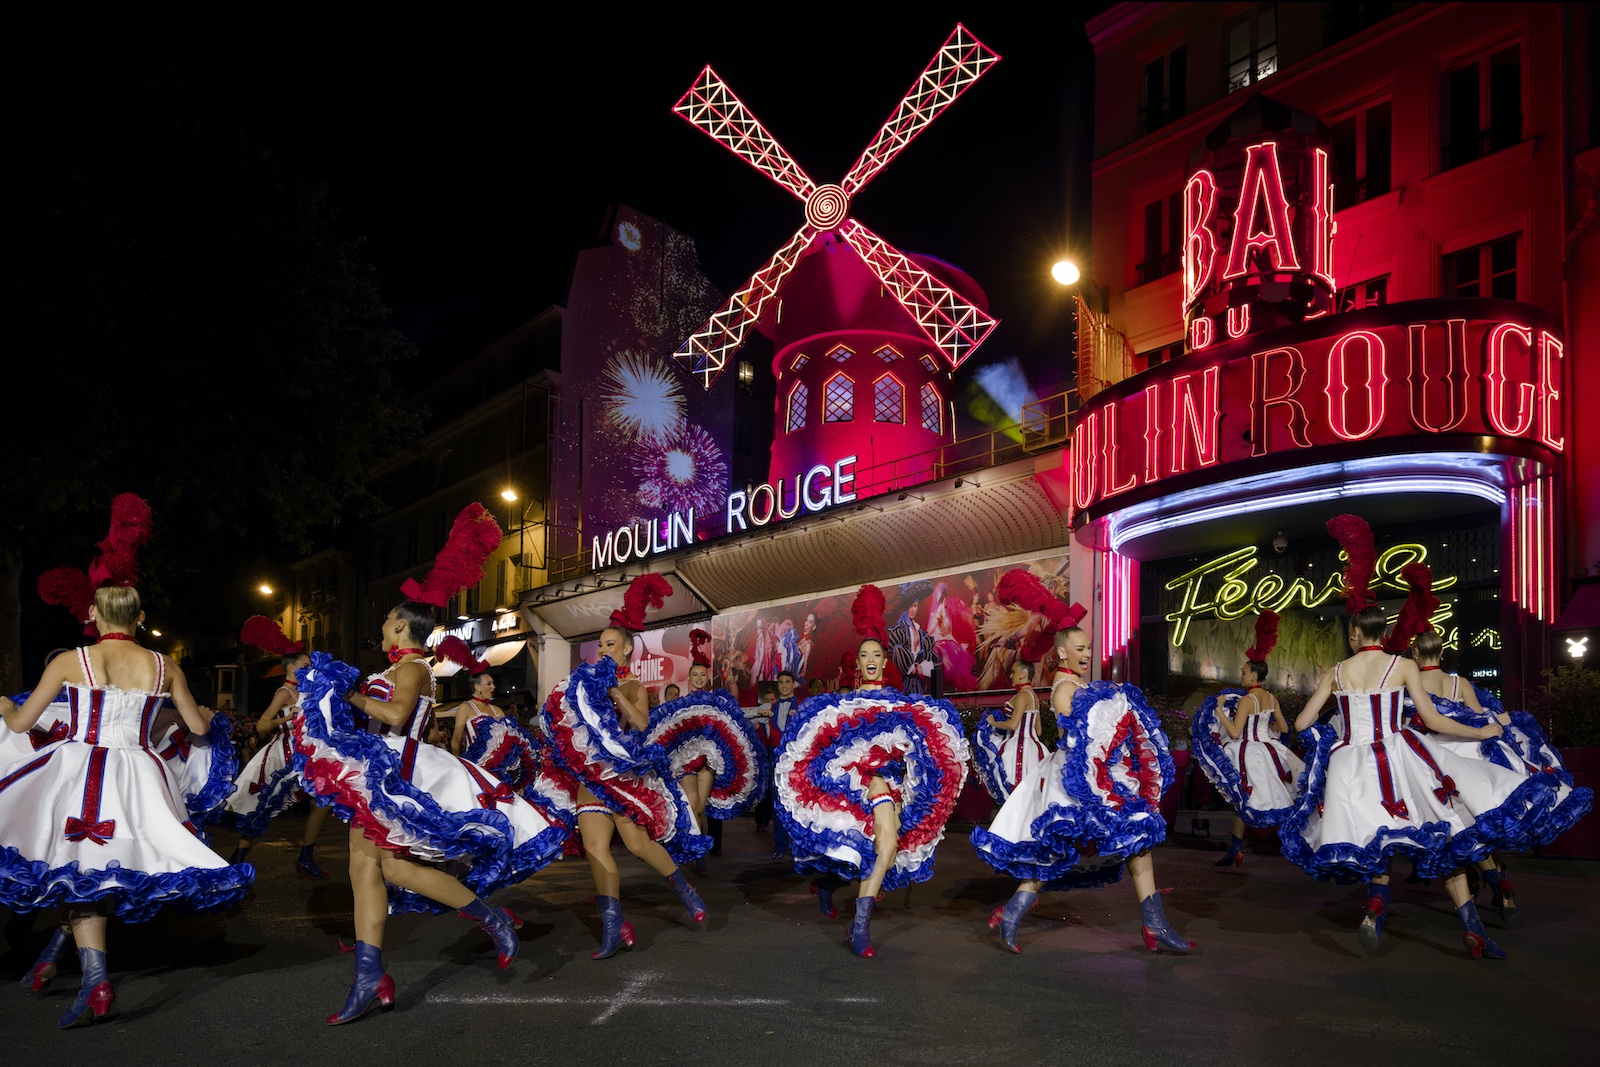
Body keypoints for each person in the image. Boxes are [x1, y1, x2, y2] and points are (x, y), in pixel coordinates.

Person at [293, 504, 566, 1023]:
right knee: (369, 868)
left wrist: (350, 692)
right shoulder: (400, 667)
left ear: (400, 626)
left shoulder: (414, 668)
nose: (381, 627)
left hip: (398, 770)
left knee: (387, 868)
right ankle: (372, 975)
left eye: (385, 621)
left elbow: (396, 714)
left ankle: (487, 921)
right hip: (379, 769)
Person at [3, 578, 254, 1028]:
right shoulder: (165, 666)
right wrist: (206, 719)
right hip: (140, 775)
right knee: (94, 871)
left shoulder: (70, 660)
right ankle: (54, 959)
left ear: (93, 615)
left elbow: (22, 724)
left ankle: (94, 981)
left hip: (78, 772)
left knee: (78, 870)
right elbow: (198, 727)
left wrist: (5, 708)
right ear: (140, 618)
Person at [972, 620, 1192, 955]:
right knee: (1062, 849)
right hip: (1075, 781)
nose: (1087, 653)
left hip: (1092, 776)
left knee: (1131, 839)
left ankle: (1154, 924)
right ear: (1062, 652)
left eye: (1088, 647)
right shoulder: (1064, 688)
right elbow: (1075, 740)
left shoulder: (1080, 684)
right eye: (1080, 648)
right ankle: (1013, 913)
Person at [776, 585, 970, 958]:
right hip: (857, 783)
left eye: (876, 655)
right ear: (858, 663)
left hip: (893, 784)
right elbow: (822, 747)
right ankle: (860, 929)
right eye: (864, 654)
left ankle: (829, 886)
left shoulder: (901, 704)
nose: (869, 660)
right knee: (888, 845)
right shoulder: (843, 704)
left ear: (884, 661)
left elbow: (919, 745)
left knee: (881, 851)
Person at [542, 573, 711, 959]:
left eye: (610, 644)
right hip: (591, 776)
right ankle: (613, 926)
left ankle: (685, 890)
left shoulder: (634, 686)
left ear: (627, 649)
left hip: (621, 777)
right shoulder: (586, 682)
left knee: (636, 843)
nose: (602, 650)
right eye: (600, 644)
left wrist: (616, 693)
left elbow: (641, 724)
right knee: (594, 848)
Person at [1408, 625, 1593, 926]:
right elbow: (1482, 718)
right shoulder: (1459, 683)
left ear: (1415, 653)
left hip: (1436, 762)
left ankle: (1487, 890)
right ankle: (1501, 885)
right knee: (1486, 823)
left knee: (1456, 830)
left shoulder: (1411, 685)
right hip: (1471, 755)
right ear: (1441, 653)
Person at [1190, 611, 1303, 868]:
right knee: (1263, 799)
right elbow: (1283, 727)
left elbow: (1233, 732)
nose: (1240, 676)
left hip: (1248, 752)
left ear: (1253, 676)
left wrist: (1220, 710)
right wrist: (1266, 725)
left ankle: (1239, 849)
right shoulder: (1271, 698)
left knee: (1248, 800)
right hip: (1269, 749)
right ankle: (1238, 849)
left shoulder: (1246, 700)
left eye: (1243, 673)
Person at [223, 616, 331, 877]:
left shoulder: (309, 691)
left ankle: (305, 857)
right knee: (262, 809)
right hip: (283, 756)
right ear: (292, 667)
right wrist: (286, 718)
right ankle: (237, 859)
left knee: (322, 801)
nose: (310, 669)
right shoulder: (284, 693)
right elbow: (261, 725)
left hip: (308, 753)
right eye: (305, 665)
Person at [646, 654, 768, 876]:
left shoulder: (715, 701)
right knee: (692, 804)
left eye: (703, 675)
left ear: (707, 678)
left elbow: (735, 712)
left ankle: (697, 848)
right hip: (686, 762)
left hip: (709, 760)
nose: (699, 678)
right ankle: (696, 854)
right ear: (690, 678)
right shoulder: (681, 703)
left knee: (700, 808)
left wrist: (756, 711)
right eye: (695, 675)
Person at [972, 659, 1047, 804]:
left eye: (1013, 672)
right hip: (1034, 749)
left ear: (1023, 674)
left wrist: (993, 722)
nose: (1011, 676)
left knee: (1014, 792)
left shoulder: (1022, 695)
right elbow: (1038, 731)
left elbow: (1013, 725)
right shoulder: (1034, 696)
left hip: (1017, 748)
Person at [750, 670, 801, 857]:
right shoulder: (769, 707)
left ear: (793, 684)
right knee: (777, 800)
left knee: (798, 801)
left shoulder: (803, 706)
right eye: (781, 682)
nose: (784, 685)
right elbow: (746, 714)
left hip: (797, 759)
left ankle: (800, 847)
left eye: (787, 682)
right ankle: (780, 846)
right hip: (776, 757)